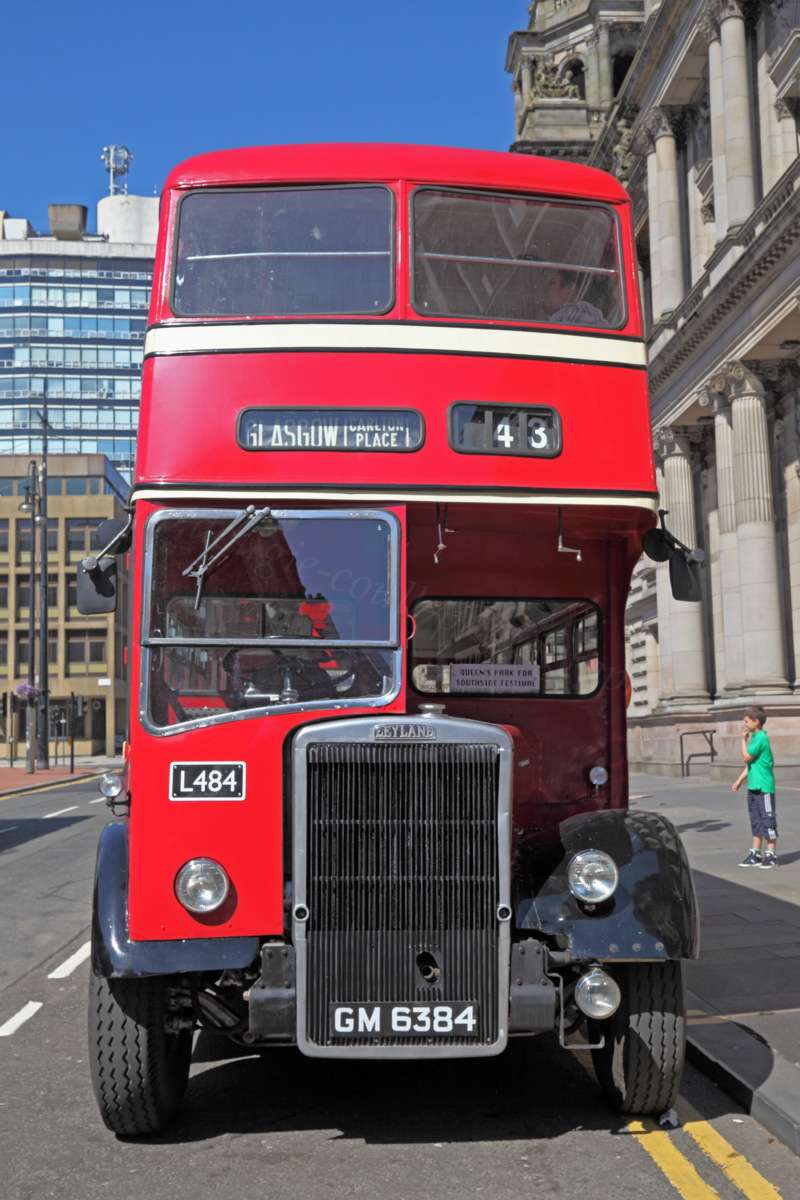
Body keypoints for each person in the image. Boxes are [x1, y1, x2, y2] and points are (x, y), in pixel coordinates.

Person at [731, 706, 779, 868]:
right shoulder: (756, 738)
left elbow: (746, 758)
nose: (744, 724)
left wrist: (742, 740)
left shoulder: (760, 739)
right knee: (756, 820)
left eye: (746, 721)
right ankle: (755, 853)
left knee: (768, 820)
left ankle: (771, 854)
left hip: (764, 787)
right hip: (754, 786)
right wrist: (739, 781)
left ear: (756, 722)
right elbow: (751, 765)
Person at [541, 268, 608, 328]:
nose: (545, 289)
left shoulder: (568, 319)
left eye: (552, 283)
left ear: (569, 289)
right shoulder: (591, 316)